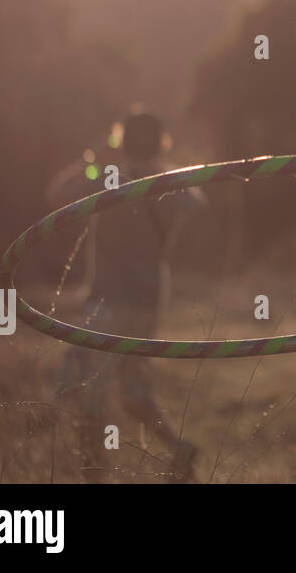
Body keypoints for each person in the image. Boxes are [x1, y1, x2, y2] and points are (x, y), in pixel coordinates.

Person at [46, 109, 206, 481]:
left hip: (109, 300)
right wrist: (166, 174)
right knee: (132, 392)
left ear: (121, 140)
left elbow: (58, 193)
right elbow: (197, 204)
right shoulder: (168, 181)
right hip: (148, 297)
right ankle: (180, 449)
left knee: (90, 395)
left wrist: (94, 159)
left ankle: (95, 477)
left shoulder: (107, 177)